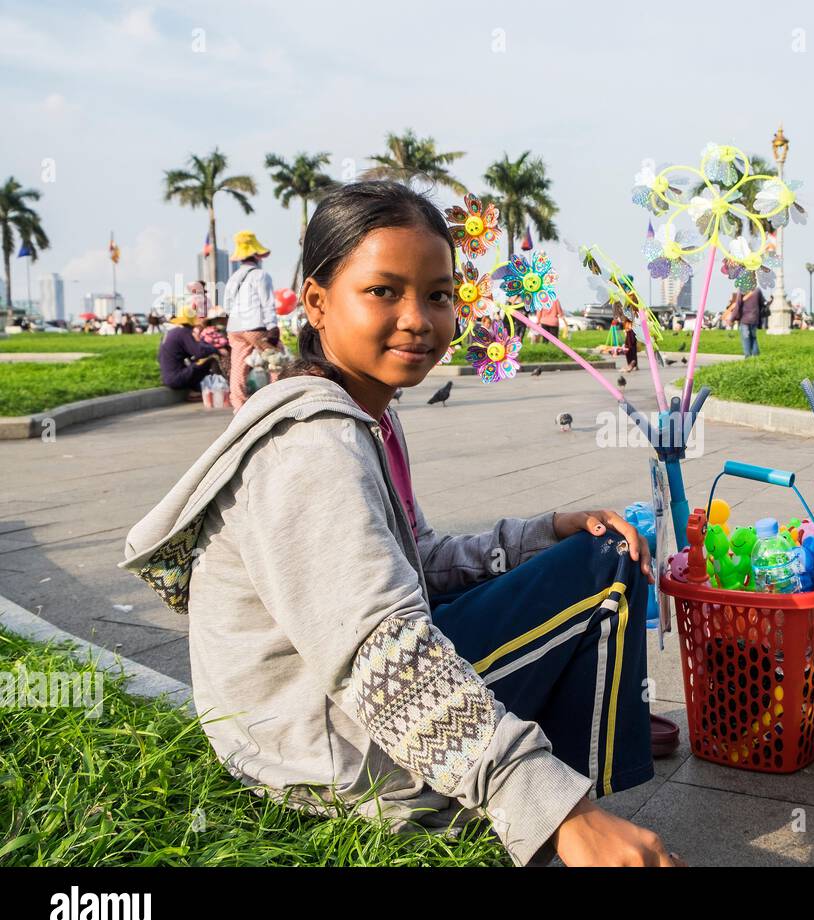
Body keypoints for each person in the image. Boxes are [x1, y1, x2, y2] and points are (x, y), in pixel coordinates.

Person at [120, 181, 677, 867]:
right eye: (384, 291)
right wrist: (551, 806)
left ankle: (583, 765)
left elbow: (419, 558)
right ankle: (565, 815)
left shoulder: (371, 413)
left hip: (334, 710)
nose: (418, 318)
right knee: (601, 576)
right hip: (318, 760)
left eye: (439, 295)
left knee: (599, 547)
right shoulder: (310, 444)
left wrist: (546, 529)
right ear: (318, 304)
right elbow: (380, 653)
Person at [223, 231, 280, 410]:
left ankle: (238, 406)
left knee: (238, 367)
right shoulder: (261, 275)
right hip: (255, 326)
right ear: (256, 255)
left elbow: (227, 305)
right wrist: (273, 328)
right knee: (277, 359)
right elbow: (267, 303)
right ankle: (277, 401)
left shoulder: (232, 278)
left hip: (234, 328)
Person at [158, 308, 220, 397]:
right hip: (177, 379)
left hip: (167, 377)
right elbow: (200, 352)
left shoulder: (170, 333)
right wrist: (216, 349)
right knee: (210, 359)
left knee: (196, 363)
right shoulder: (184, 332)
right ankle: (210, 388)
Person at [737, 288, 762, 357]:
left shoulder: (742, 290)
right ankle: (756, 355)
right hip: (754, 318)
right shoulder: (757, 290)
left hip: (745, 319)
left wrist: (732, 318)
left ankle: (748, 356)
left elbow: (738, 305)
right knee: (753, 337)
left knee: (746, 337)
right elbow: (761, 304)